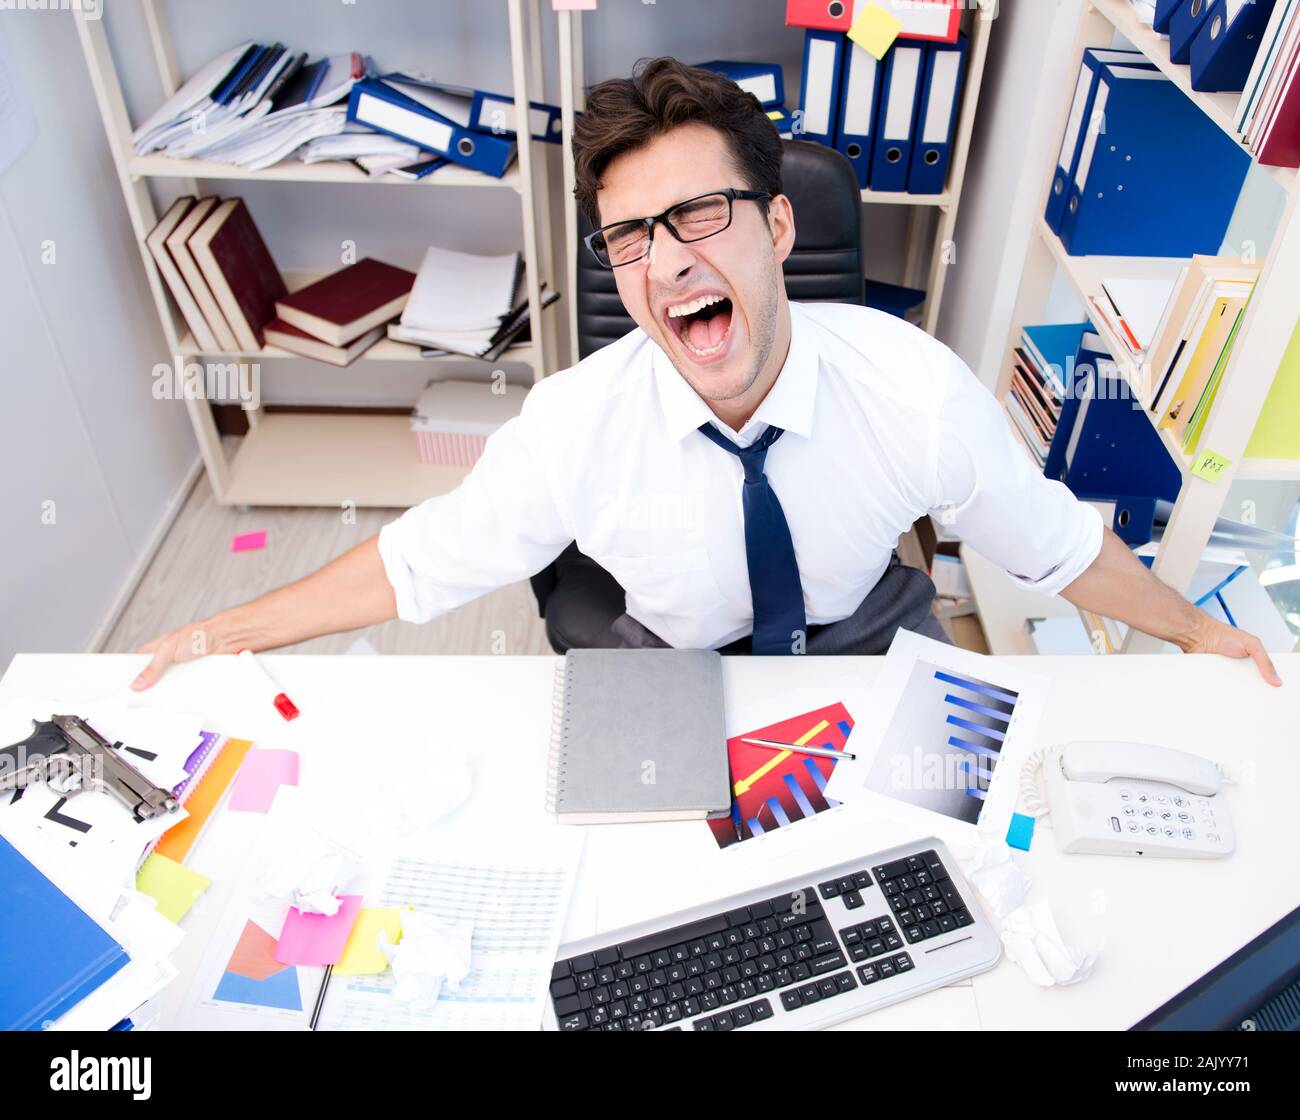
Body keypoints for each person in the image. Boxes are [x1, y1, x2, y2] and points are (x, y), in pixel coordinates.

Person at [132, 58, 1279, 688]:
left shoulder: (912, 389)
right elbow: (416, 565)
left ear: (780, 228)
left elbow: (1056, 543)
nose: (668, 259)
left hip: (869, 644)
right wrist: (209, 634)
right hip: (671, 671)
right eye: (630, 235)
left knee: (953, 891)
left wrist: (1200, 634)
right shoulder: (572, 424)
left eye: (701, 215)